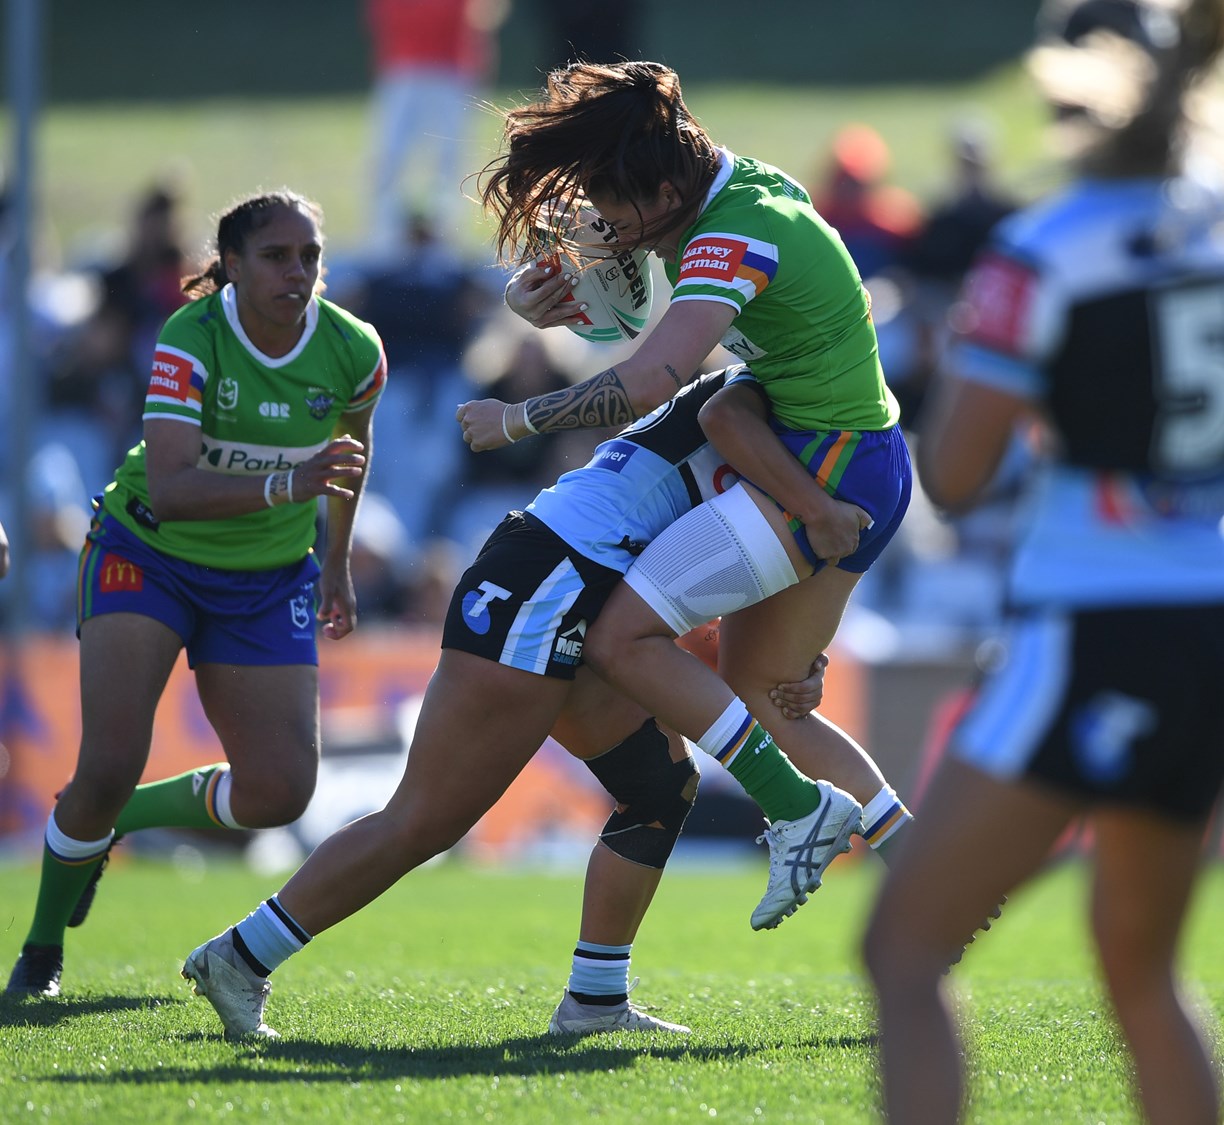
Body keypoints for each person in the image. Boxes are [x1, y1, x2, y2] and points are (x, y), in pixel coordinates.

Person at [177, 362, 872, 1041]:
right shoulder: (754, 395)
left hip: (576, 583)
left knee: (659, 785)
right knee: (424, 819)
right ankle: (240, 954)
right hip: (554, 577)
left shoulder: (793, 421)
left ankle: (596, 997)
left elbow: (739, 569)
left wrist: (801, 653)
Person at [861, 2, 1224, 1121]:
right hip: (1213, 623)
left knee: (906, 949)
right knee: (1142, 971)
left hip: (1099, 620)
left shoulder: (1050, 245)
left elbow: (957, 476)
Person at [460, 60, 914, 931]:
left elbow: (651, 376)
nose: (612, 228)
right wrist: (536, 303)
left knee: (621, 639)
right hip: (835, 462)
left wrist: (516, 417)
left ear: (666, 185)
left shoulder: (732, 233)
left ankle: (801, 813)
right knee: (771, 700)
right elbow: (627, 318)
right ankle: (928, 875)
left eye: (621, 212)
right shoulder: (705, 184)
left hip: (827, 471)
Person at [5, 190, 387, 998]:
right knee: (106, 763)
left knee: (280, 791)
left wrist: (341, 560)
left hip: (267, 576)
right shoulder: (192, 335)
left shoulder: (355, 350)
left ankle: (118, 822)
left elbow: (351, 457)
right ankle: (40, 951)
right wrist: (291, 480)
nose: (299, 272)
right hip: (149, 552)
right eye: (278, 257)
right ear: (234, 266)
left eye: (311, 256)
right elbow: (175, 487)